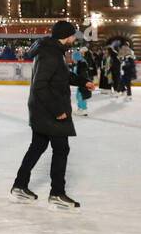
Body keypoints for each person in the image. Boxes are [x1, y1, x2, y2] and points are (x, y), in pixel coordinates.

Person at [11, 20, 93, 209]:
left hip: (42, 108)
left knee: (38, 146)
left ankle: (19, 186)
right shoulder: (50, 54)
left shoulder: (53, 51)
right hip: (49, 109)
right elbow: (40, 85)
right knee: (61, 149)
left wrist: (83, 81)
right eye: (73, 35)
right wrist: (58, 111)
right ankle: (57, 193)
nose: (74, 39)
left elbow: (61, 76)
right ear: (66, 36)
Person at [70, 46, 93, 116]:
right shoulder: (80, 63)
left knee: (81, 96)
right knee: (78, 95)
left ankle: (84, 109)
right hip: (81, 82)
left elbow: (82, 74)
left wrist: (84, 82)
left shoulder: (81, 64)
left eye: (74, 58)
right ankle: (80, 108)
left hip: (83, 82)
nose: (73, 60)